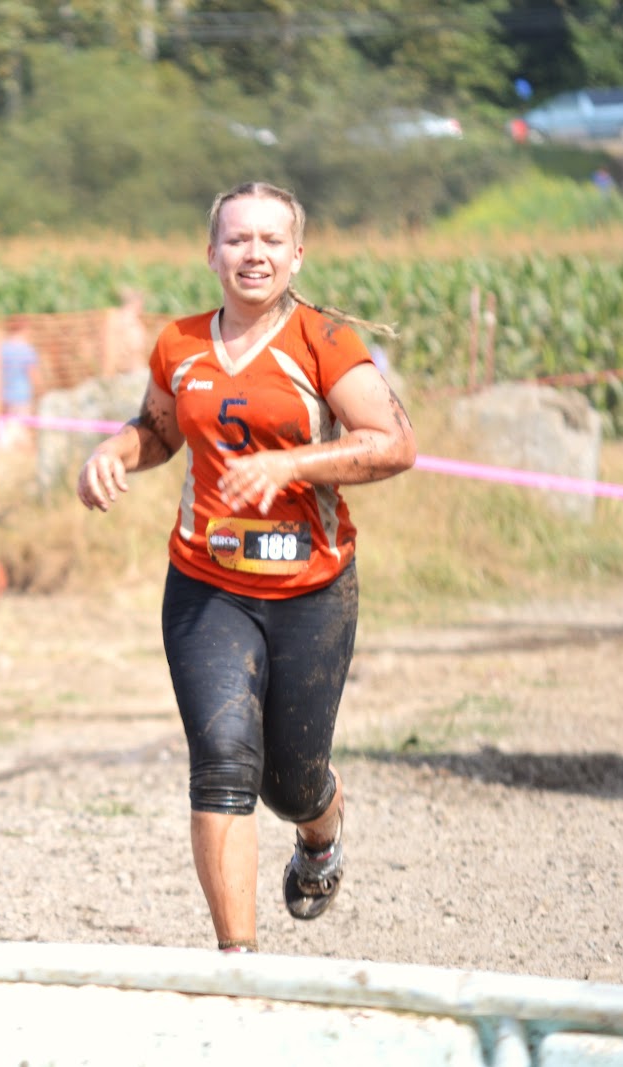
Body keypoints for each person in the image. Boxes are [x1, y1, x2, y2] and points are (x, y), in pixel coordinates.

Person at [75, 181, 416, 954]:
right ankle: (240, 967)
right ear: (211, 253)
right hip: (207, 585)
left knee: (289, 780)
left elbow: (395, 442)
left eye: (270, 240)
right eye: (237, 239)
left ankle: (321, 832)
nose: (252, 253)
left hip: (312, 591)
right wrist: (113, 451)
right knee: (223, 759)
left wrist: (292, 464)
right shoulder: (179, 344)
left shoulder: (324, 342)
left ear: (297, 255)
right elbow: (157, 432)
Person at [0, 317, 43, 445]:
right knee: (21, 429)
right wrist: (40, 390)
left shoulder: (3, 348)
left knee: (8, 427)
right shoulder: (27, 350)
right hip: (22, 395)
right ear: (25, 329)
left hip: (6, 394)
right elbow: (32, 373)